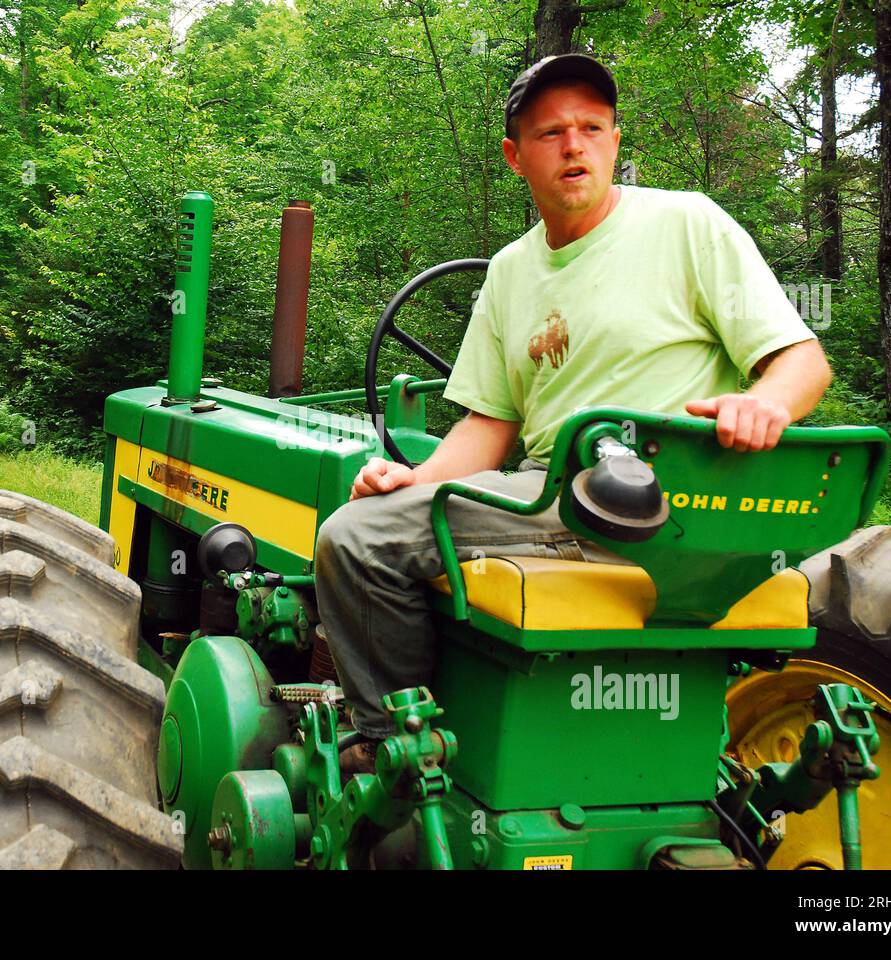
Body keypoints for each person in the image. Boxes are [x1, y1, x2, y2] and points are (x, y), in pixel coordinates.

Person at [314, 54, 832, 772]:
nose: (574, 145)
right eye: (551, 132)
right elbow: (490, 425)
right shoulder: (508, 273)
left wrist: (764, 404)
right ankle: (427, 743)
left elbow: (802, 360)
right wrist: (421, 479)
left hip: (672, 498)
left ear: (616, 142)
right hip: (549, 495)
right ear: (514, 156)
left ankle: (396, 751)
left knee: (356, 541)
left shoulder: (688, 226)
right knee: (373, 523)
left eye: (592, 127)